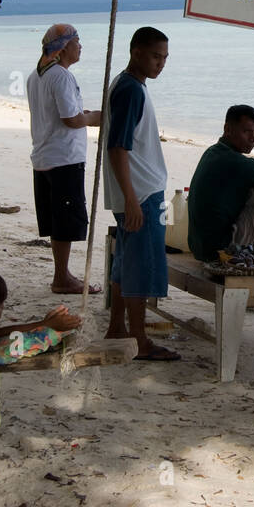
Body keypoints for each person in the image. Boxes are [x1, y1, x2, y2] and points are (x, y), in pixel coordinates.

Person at [102, 26, 179, 361]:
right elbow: (118, 147)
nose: (160, 63)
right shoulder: (131, 89)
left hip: (137, 190)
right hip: (141, 192)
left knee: (124, 265)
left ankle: (117, 327)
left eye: (164, 57)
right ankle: (140, 339)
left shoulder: (127, 84)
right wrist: (131, 198)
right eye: (154, 56)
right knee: (140, 268)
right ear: (136, 52)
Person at [27, 23, 102, 294]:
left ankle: (62, 274)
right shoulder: (61, 76)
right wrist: (98, 118)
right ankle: (62, 277)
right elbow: (71, 119)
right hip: (64, 157)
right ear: (62, 47)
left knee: (58, 220)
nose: (80, 46)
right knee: (64, 221)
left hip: (44, 155)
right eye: (77, 41)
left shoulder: (36, 75)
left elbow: (60, 112)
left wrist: (89, 114)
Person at [187, 105, 254, 263]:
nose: (253, 138)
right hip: (221, 250)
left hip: (201, 248)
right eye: (246, 132)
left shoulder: (213, 152)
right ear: (228, 129)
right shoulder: (236, 162)